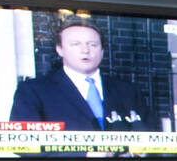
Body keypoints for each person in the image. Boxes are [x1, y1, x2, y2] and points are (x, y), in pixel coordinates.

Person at [9, 18, 157, 133]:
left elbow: (152, 136)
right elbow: (23, 144)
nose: (85, 50)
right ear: (59, 49)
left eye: (93, 45)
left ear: (102, 51)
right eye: (75, 44)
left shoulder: (128, 91)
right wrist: (83, 156)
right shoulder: (33, 90)